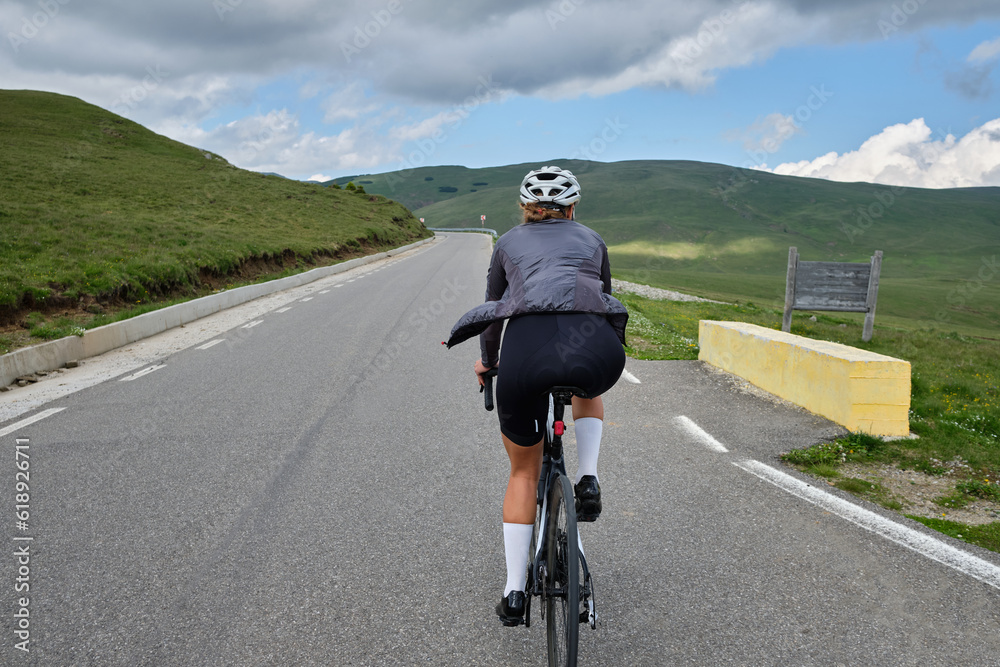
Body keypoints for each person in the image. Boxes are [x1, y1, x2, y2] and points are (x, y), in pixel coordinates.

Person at [446, 166, 628, 626]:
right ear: (573, 207)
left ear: (525, 208)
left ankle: (513, 592)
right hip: (594, 348)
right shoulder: (592, 239)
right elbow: (601, 300)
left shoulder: (506, 242)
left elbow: (493, 315)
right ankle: (587, 477)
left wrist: (488, 364)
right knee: (588, 387)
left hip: (526, 356)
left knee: (524, 472)